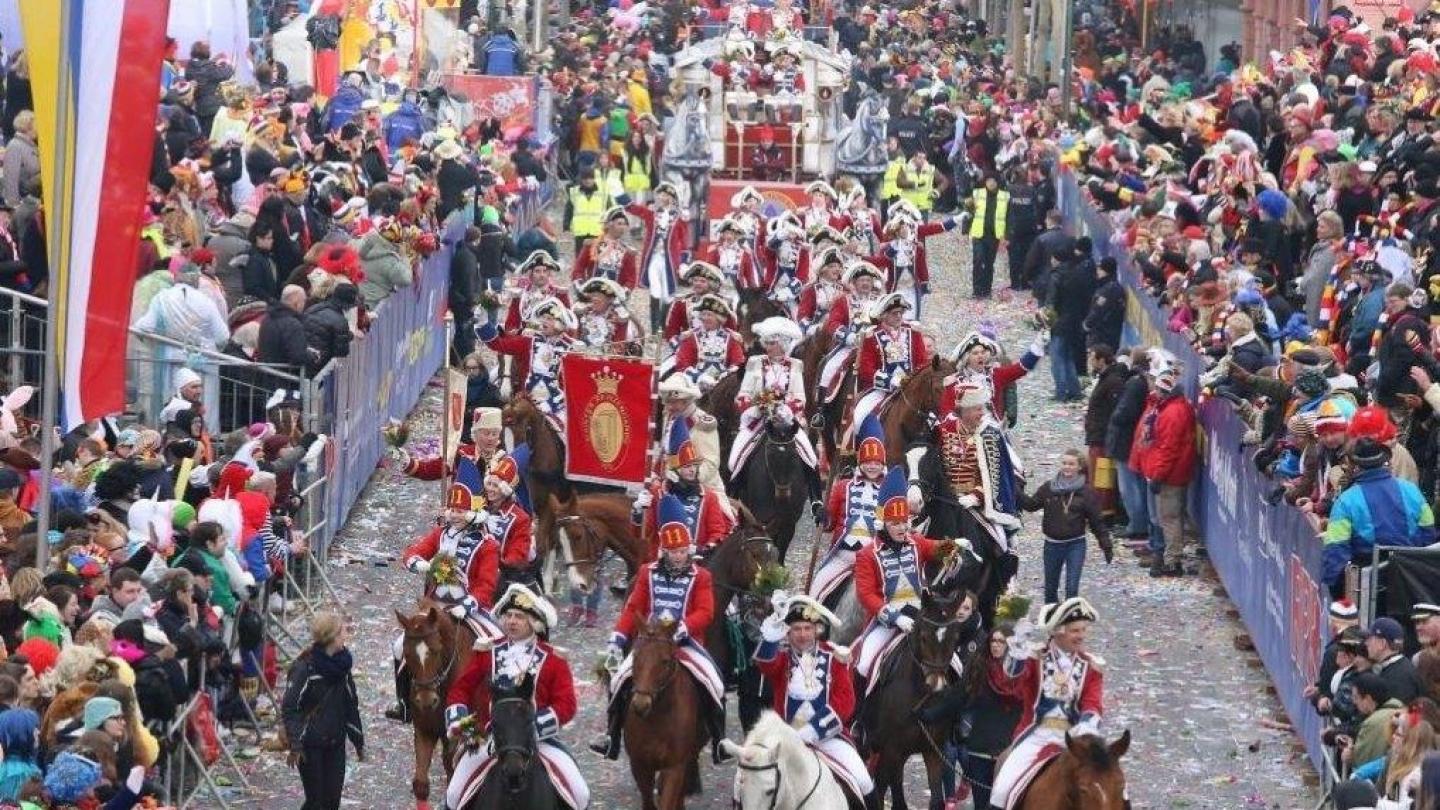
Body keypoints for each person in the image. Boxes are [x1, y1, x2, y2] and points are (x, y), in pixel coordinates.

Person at [592, 493, 732, 764]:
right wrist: (617, 638)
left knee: (713, 680)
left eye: (682, 552)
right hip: (650, 642)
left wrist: (684, 628)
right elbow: (634, 608)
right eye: (674, 552)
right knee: (620, 677)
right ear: (665, 551)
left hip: (685, 641)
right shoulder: (647, 572)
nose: (679, 557)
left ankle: (719, 740)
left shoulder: (701, 576)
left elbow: (706, 611)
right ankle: (612, 736)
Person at [444, 585, 588, 810]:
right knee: (453, 796)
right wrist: (459, 721)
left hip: (540, 741)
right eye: (509, 615)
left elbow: (566, 704)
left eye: (519, 616)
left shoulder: (553, 659)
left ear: (534, 622)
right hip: (491, 739)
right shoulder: (487, 652)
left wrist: (531, 727)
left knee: (580, 793)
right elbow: (460, 690)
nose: (511, 621)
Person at [389, 472, 502, 722]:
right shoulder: (440, 534)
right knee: (400, 646)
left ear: (472, 512)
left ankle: (496, 703)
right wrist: (420, 564)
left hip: (471, 608)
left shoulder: (487, 544)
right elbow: (414, 551)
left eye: (460, 510)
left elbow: (487, 584)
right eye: (451, 509)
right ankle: (403, 704)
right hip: (435, 608)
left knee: (497, 645)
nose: (454, 514)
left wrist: (469, 604)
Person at [752, 594, 873, 804]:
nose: (802, 635)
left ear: (816, 630)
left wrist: (813, 730)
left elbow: (845, 701)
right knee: (750, 781)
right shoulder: (782, 659)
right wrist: (772, 629)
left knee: (863, 781)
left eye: (807, 629)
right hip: (786, 737)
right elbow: (765, 663)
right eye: (796, 629)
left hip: (829, 738)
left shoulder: (835, 657)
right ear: (788, 633)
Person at [988, 598, 1106, 809]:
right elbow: (1010, 679)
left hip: (1077, 738)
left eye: (1083, 630)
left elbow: (1093, 702)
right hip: (1036, 736)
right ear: (1058, 630)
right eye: (1075, 631)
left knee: (1115, 786)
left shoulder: (1091, 666)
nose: (1081, 636)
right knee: (1002, 790)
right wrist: (1017, 648)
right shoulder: (1035, 657)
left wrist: (1087, 725)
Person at [850, 467, 947, 707]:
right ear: (884, 525)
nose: (903, 528)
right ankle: (860, 717)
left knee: (952, 660)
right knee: (862, 664)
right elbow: (866, 594)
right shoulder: (866, 555)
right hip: (886, 623)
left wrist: (955, 546)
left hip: (920, 618)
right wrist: (894, 617)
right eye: (896, 523)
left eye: (905, 522)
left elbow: (936, 548)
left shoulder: (916, 542)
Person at [1321, 438, 1436, 596]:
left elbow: (1336, 548)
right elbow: (1428, 534)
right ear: (1385, 461)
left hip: (1367, 586)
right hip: (1411, 583)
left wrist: (1338, 595)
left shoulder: (1346, 501)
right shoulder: (1412, 491)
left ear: (1356, 466)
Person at [282, 611, 364, 810]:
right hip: (311, 745)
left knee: (332, 801)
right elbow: (290, 707)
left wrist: (357, 739)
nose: (346, 634)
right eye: (342, 630)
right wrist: (295, 744)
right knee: (316, 802)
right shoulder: (305, 668)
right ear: (332, 637)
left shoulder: (343, 665)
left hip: (336, 742)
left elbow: (350, 703)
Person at [728, 317, 819, 494]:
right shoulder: (755, 362)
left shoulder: (795, 365)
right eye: (766, 343)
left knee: (811, 458)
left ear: (782, 344)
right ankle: (733, 498)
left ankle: (816, 501)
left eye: (772, 343)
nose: (767, 347)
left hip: (786, 422)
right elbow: (742, 396)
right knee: (734, 460)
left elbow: (800, 398)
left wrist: (785, 410)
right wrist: (758, 407)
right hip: (757, 420)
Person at [1129, 350, 1197, 578]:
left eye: (1158, 388)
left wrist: (1157, 475)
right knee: (1163, 518)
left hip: (1168, 475)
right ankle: (1166, 557)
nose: (1154, 391)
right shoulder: (1164, 408)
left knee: (1169, 519)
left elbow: (1168, 449)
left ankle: (1172, 561)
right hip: (1161, 471)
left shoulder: (1172, 413)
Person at [809, 414, 888, 605]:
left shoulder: (888, 492)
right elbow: (829, 524)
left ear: (882, 464)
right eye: (868, 462)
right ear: (860, 462)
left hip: (873, 560)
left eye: (876, 462)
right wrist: (823, 515)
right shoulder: (843, 486)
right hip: (842, 556)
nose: (872, 466)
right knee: (815, 591)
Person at [1017, 449, 1113, 604]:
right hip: (1052, 545)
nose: (1067, 467)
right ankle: (1053, 621)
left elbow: (1097, 522)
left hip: (1075, 544)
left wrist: (1106, 545)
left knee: (1072, 588)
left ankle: (1069, 623)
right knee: (1050, 589)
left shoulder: (1086, 492)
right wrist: (1014, 489)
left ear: (1079, 467)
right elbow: (1031, 505)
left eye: (1071, 464)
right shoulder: (1049, 488)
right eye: (1064, 463)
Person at [852, 292, 929, 432]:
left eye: (901, 313)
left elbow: (922, 362)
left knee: (933, 420)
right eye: (894, 313)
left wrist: (913, 383)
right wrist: (891, 381)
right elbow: (866, 370)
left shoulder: (913, 332)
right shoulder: (871, 336)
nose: (899, 316)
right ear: (884, 315)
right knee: (858, 418)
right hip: (880, 391)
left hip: (912, 389)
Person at [670, 294, 745, 393]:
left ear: (719, 318)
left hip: (724, 386)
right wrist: (699, 377)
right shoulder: (691, 336)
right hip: (694, 384)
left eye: (709, 315)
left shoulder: (731, 338)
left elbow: (738, 362)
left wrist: (724, 377)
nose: (705, 318)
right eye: (703, 314)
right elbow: (683, 362)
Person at [966, 173, 1010, 299]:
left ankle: (986, 290)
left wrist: (1006, 235)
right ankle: (977, 290)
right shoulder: (977, 194)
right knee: (978, 260)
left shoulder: (1004, 196)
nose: (991, 183)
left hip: (994, 235)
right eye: (988, 180)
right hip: (978, 233)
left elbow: (1008, 216)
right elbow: (969, 212)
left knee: (989, 263)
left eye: (993, 181)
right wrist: (965, 229)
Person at [1366, 617, 1427, 704]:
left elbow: (1393, 714)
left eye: (1370, 639)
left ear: (1382, 644)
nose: (1367, 643)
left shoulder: (1399, 678)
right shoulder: (1400, 669)